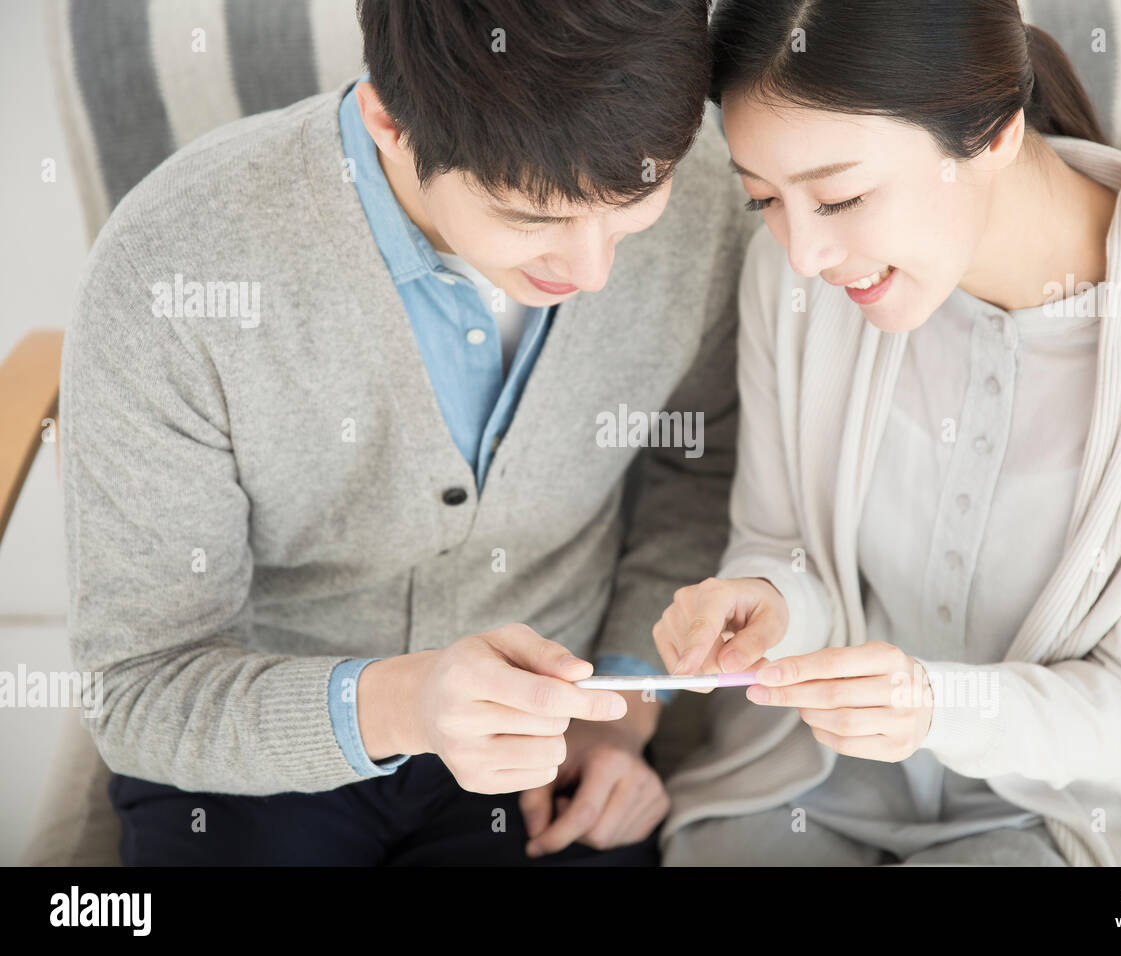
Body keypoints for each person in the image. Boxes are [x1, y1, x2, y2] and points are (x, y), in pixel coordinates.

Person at [62, 0, 750, 865]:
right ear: (388, 118)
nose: (593, 271)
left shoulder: (721, 193)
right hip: (251, 757)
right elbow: (141, 689)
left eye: (635, 207)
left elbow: (697, 468)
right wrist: (409, 705)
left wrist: (628, 706)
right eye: (532, 217)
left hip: (552, 750)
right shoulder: (170, 268)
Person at [652, 0, 1121, 866]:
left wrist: (932, 706)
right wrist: (769, 604)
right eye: (763, 198)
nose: (802, 252)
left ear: (993, 135)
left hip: (1085, 817)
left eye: (841, 196)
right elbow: (781, 542)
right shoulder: (799, 280)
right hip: (813, 784)